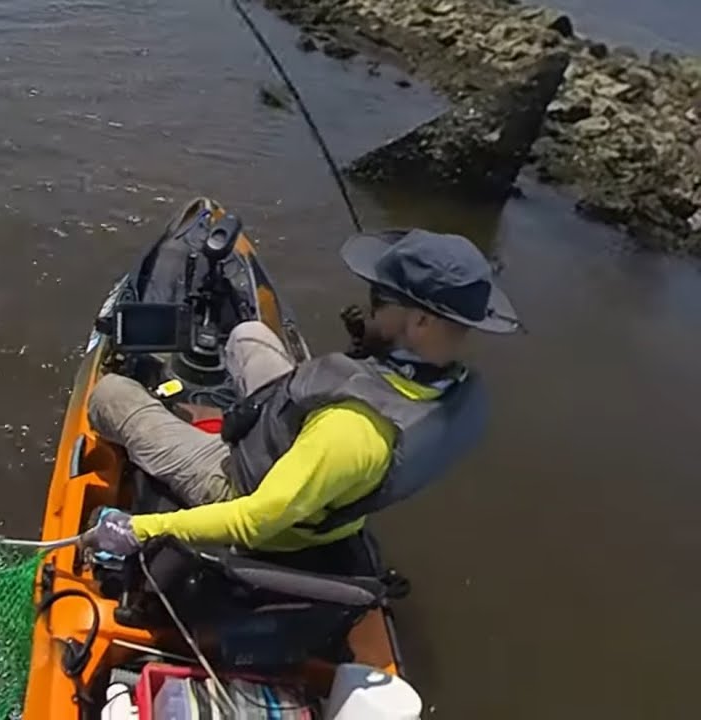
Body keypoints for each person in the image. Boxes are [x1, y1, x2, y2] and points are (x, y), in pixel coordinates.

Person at [82, 229, 520, 566]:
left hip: (246, 492)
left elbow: (252, 520)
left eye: (380, 301)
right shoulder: (461, 393)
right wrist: (378, 341)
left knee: (111, 394)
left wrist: (138, 530)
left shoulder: (351, 430)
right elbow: (382, 389)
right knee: (248, 335)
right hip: (324, 486)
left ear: (421, 322)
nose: (370, 306)